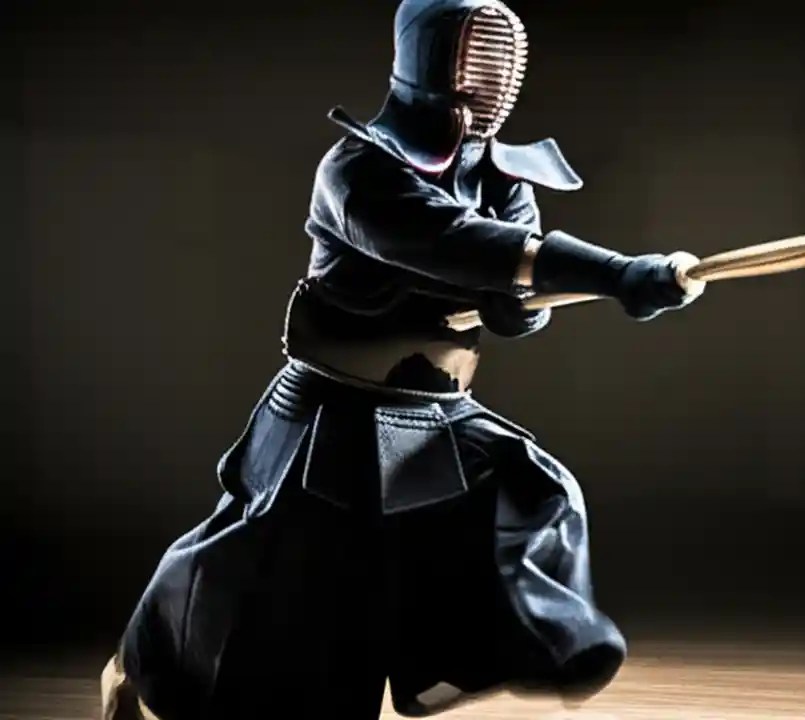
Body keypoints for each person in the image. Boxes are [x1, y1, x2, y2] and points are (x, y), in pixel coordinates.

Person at [101, 1, 702, 717]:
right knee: (276, 587)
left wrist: (528, 303)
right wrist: (613, 272)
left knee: (533, 492)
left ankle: (494, 651)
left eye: (498, 61)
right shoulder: (358, 171)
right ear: (430, 60)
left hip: (436, 411)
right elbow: (456, 243)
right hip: (333, 416)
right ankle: (142, 663)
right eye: (474, 58)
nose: (490, 77)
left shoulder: (500, 174)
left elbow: (513, 293)